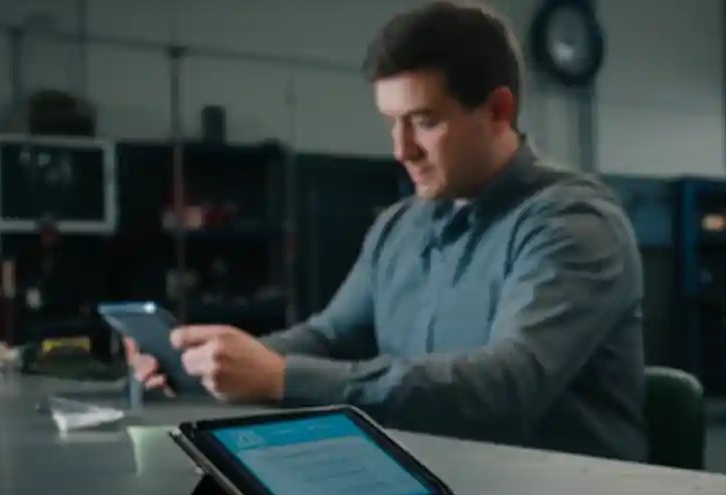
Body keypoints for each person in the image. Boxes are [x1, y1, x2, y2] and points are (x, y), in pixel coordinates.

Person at [127, 1, 647, 461]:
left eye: (424, 121)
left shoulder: (572, 224)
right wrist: (211, 360)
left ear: (497, 109)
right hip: (438, 486)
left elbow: (506, 388)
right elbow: (330, 338)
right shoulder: (401, 226)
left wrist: (281, 379)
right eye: (391, 123)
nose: (401, 150)